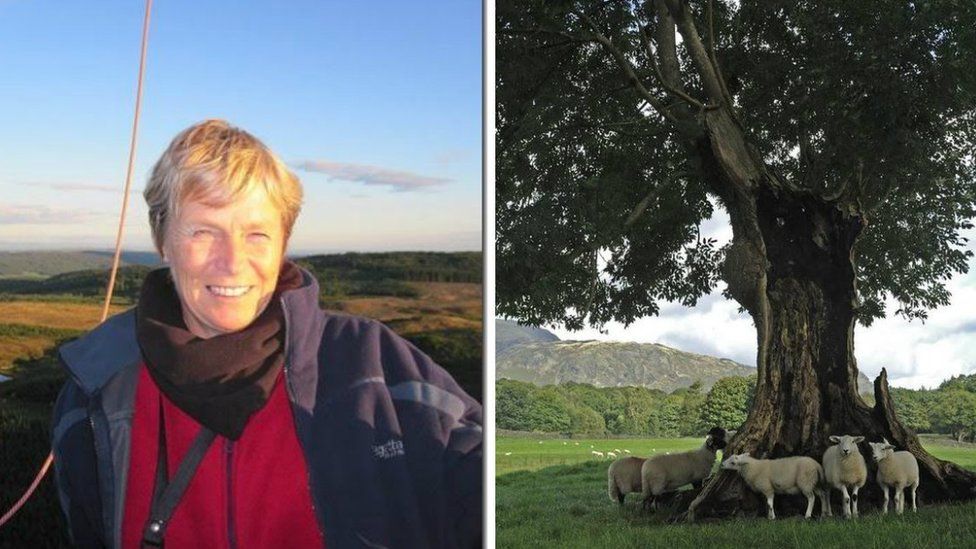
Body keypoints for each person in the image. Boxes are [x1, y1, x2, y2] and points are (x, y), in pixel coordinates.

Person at [49, 120, 483, 548]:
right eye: (204, 231)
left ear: (282, 245)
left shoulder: (371, 363)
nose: (233, 262)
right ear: (163, 239)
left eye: (257, 234)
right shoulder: (96, 395)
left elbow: (485, 475)